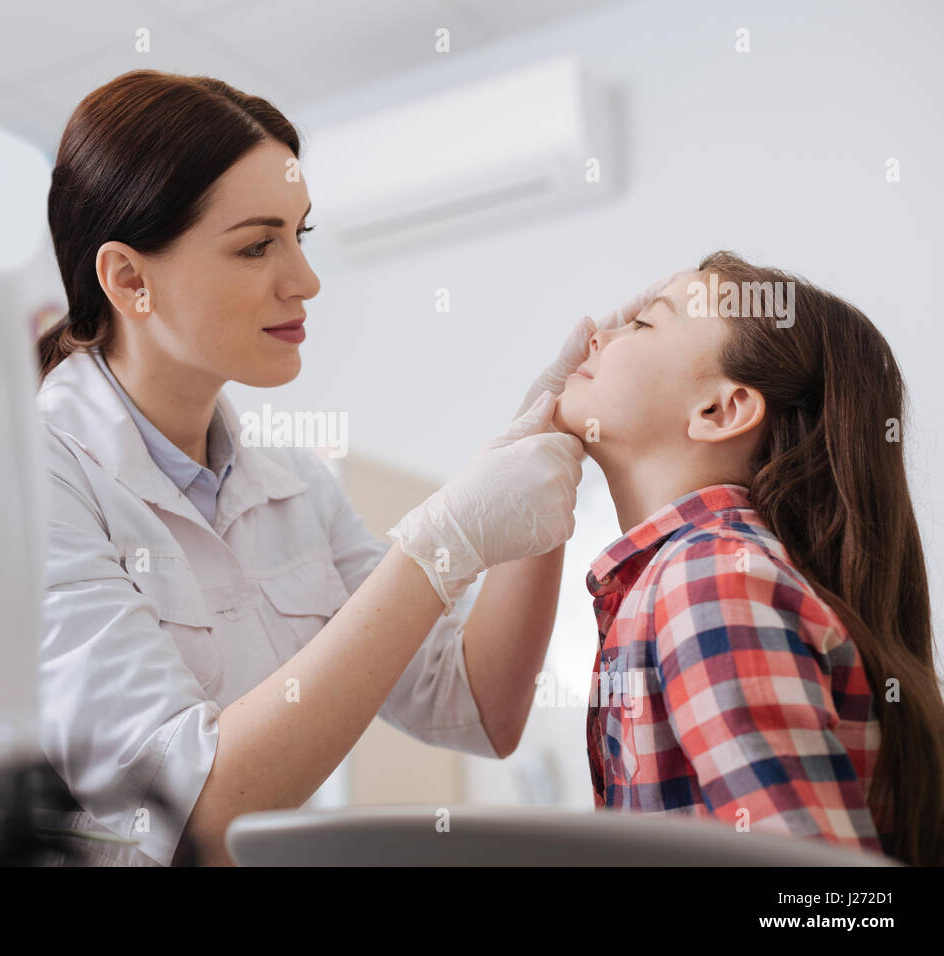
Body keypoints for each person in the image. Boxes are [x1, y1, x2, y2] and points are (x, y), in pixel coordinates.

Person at [34, 68, 673, 867]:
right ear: (130, 279)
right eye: (257, 244)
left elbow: (479, 707)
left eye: (298, 237)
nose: (305, 281)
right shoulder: (36, 481)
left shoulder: (293, 485)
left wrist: (538, 463)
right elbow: (194, 813)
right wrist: (442, 538)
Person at [552, 249, 944, 866]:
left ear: (721, 411)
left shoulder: (707, 577)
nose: (597, 334)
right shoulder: (697, 573)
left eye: (645, 323)